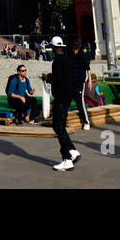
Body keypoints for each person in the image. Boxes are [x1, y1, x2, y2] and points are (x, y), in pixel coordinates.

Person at [43, 36, 80, 171]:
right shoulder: (67, 60)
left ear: (53, 48)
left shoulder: (57, 62)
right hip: (68, 97)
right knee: (61, 126)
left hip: (60, 97)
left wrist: (48, 77)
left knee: (58, 126)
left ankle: (67, 159)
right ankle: (72, 150)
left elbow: (58, 80)